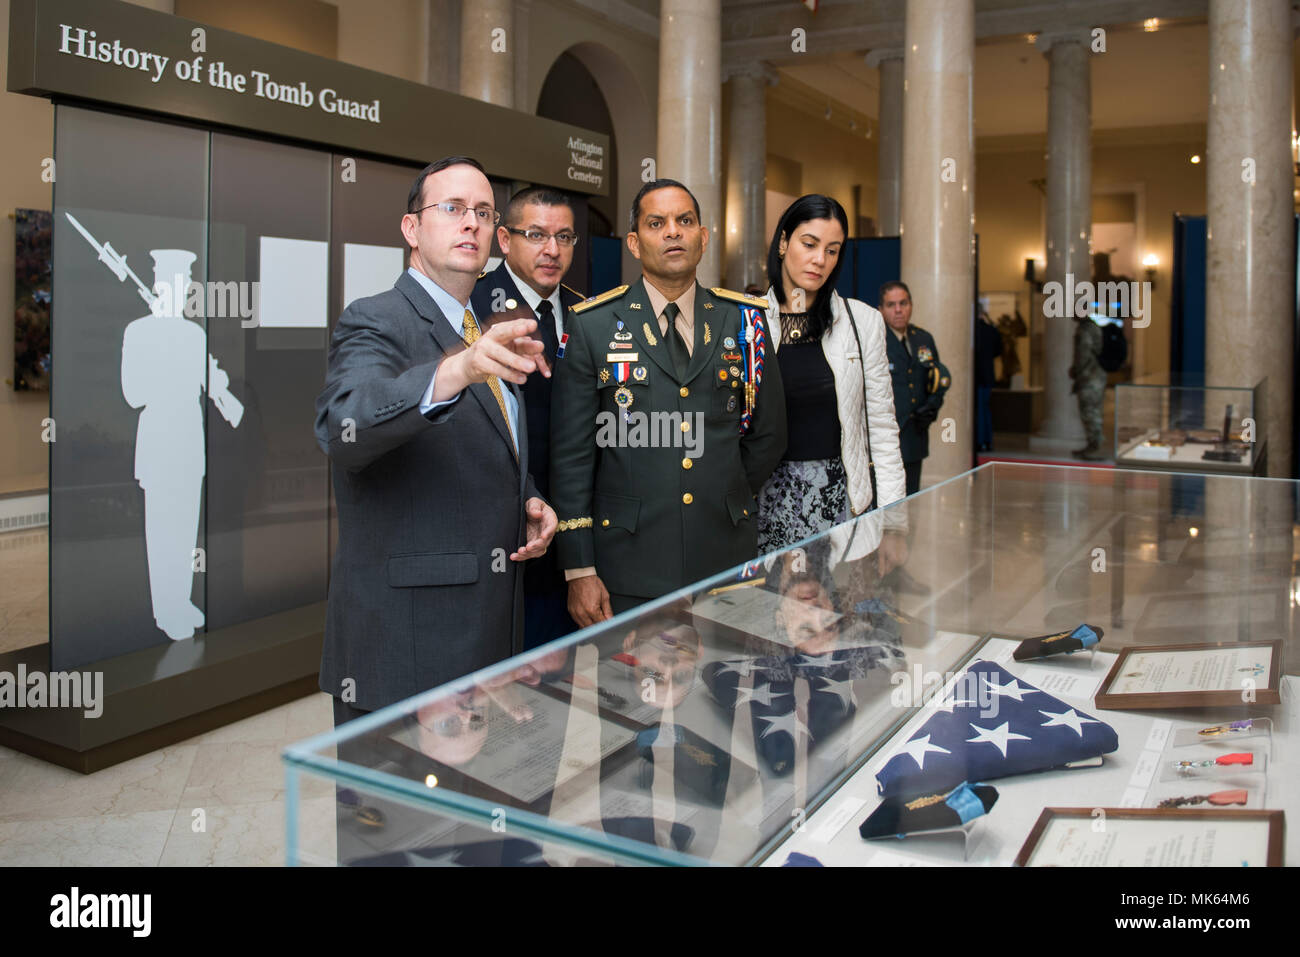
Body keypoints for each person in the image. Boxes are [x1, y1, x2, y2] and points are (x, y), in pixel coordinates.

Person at [314, 155, 557, 728]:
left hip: (488, 636)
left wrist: (530, 498)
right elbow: (343, 426)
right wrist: (455, 370)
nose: (470, 222)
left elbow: (485, 449)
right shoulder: (374, 320)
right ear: (411, 229)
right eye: (451, 208)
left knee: (469, 817)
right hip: (408, 640)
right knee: (399, 818)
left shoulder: (480, 327)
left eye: (482, 211)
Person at [549, 178, 787, 624]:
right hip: (628, 562)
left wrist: (723, 489)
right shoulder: (593, 326)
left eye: (685, 221)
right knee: (628, 693)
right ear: (635, 244)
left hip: (723, 553)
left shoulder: (745, 322)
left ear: (704, 237)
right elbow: (572, 456)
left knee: (723, 687)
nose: (673, 232)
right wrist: (579, 569)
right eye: (657, 224)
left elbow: (769, 433)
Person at [754, 194, 906, 559]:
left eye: (833, 250)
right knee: (768, 614)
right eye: (809, 244)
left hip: (839, 502)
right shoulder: (748, 321)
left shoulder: (861, 321)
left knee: (834, 613)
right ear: (784, 242)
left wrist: (895, 522)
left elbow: (883, 428)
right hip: (764, 503)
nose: (820, 259)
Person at [471, 186, 584, 649]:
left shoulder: (587, 314)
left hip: (570, 539)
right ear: (503, 239)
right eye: (536, 235)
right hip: (492, 536)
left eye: (564, 237)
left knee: (552, 694)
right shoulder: (471, 311)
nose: (552, 250)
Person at [880, 280, 950, 496]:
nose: (898, 310)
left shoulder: (923, 339)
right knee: (885, 503)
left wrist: (932, 407)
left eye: (903, 303)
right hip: (885, 439)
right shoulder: (876, 339)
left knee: (910, 498)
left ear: (911, 305)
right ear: (880, 309)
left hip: (915, 436)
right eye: (891, 305)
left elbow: (936, 378)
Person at [1070, 312, 1107, 460]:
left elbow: (1083, 354)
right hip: (1095, 376)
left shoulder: (1085, 329)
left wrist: (1077, 371)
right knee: (1093, 411)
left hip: (1090, 377)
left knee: (1090, 412)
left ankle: (1095, 447)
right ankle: (1093, 445)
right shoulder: (1092, 327)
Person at [974, 308, 1001, 452]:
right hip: (987, 376)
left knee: (979, 410)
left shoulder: (973, 330)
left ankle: (979, 441)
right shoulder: (991, 330)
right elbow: (998, 350)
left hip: (976, 376)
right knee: (985, 409)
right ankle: (987, 441)